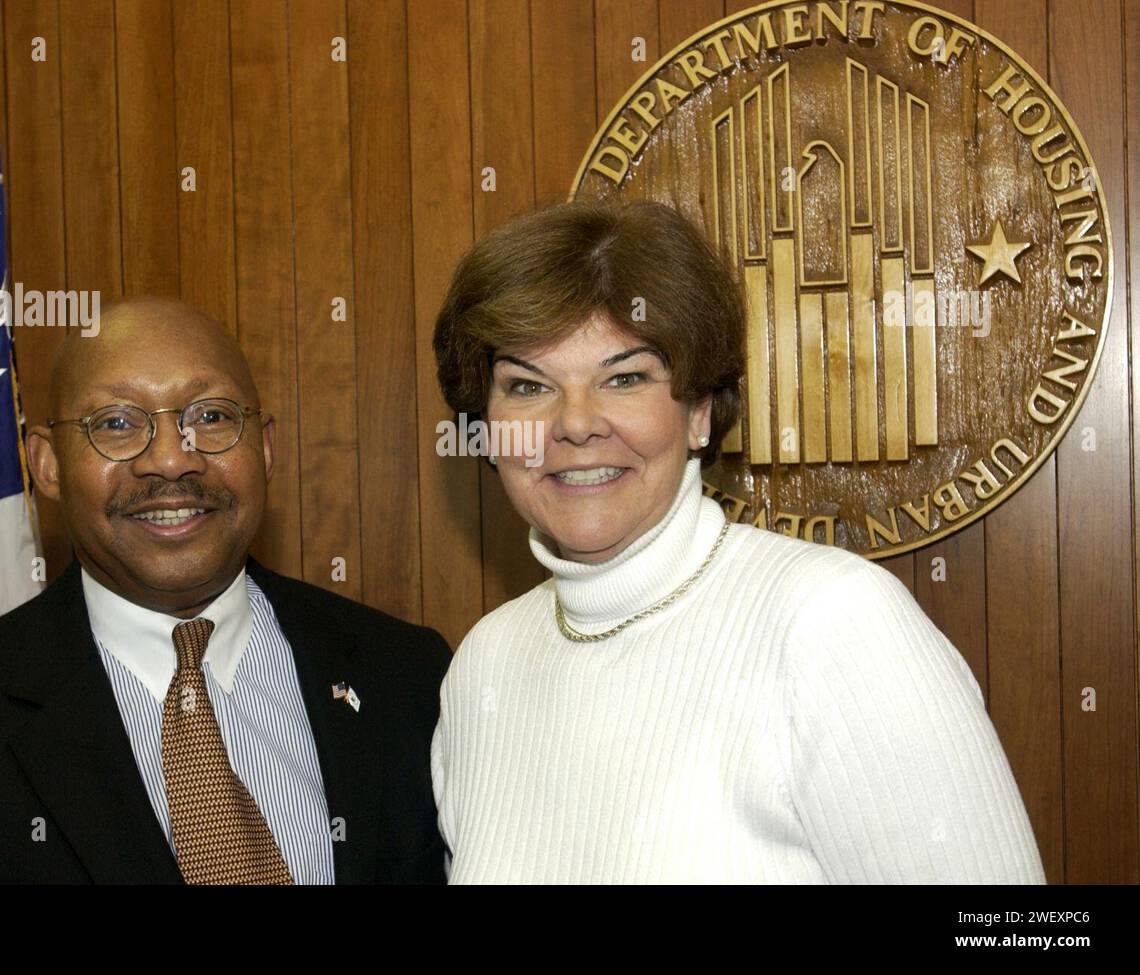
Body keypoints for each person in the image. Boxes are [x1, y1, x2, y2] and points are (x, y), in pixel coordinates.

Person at [429, 200, 1046, 883]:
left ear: (698, 410)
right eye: (527, 386)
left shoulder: (831, 625)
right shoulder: (483, 665)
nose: (574, 423)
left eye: (625, 377)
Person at [0, 296, 450, 884]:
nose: (170, 460)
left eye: (210, 417)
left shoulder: (412, 680)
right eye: (117, 424)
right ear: (46, 465)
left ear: (264, 448)